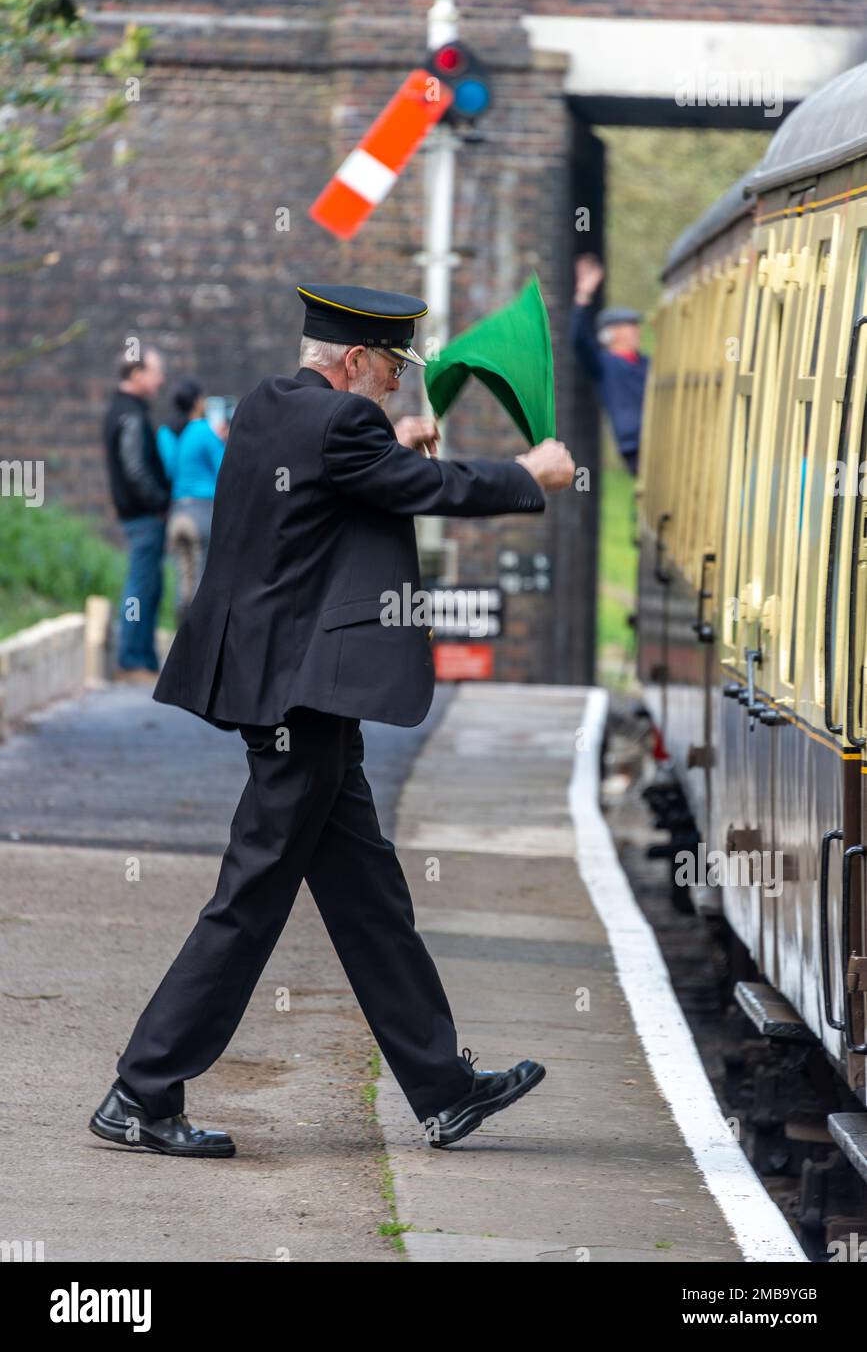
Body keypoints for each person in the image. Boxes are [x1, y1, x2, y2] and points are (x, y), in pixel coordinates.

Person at [89, 282, 575, 1159]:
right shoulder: (342, 428)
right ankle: (141, 1092)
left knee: (368, 896)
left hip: (279, 687)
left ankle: (441, 1087)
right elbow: (425, 488)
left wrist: (391, 443)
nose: (395, 385)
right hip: (299, 698)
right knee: (250, 899)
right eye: (390, 369)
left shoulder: (271, 409)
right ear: (354, 361)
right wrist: (527, 477)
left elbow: (331, 483)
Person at [103, 346, 170, 681]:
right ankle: (132, 661)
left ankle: (141, 660)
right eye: (156, 372)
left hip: (140, 515)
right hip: (144, 516)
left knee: (148, 586)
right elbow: (135, 469)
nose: (161, 380)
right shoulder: (130, 414)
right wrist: (159, 502)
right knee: (141, 587)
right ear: (136, 373)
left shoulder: (124, 409)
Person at [571, 254, 648, 475]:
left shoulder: (646, 363)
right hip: (634, 444)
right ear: (610, 333)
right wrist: (584, 294)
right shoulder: (603, 365)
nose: (636, 331)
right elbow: (578, 340)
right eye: (629, 325)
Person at [157, 380, 227, 627]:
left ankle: (181, 637)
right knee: (201, 579)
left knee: (183, 579)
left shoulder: (177, 434)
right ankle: (199, 641)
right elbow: (224, 469)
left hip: (178, 515)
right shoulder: (202, 430)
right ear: (198, 402)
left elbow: (170, 470)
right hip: (201, 513)